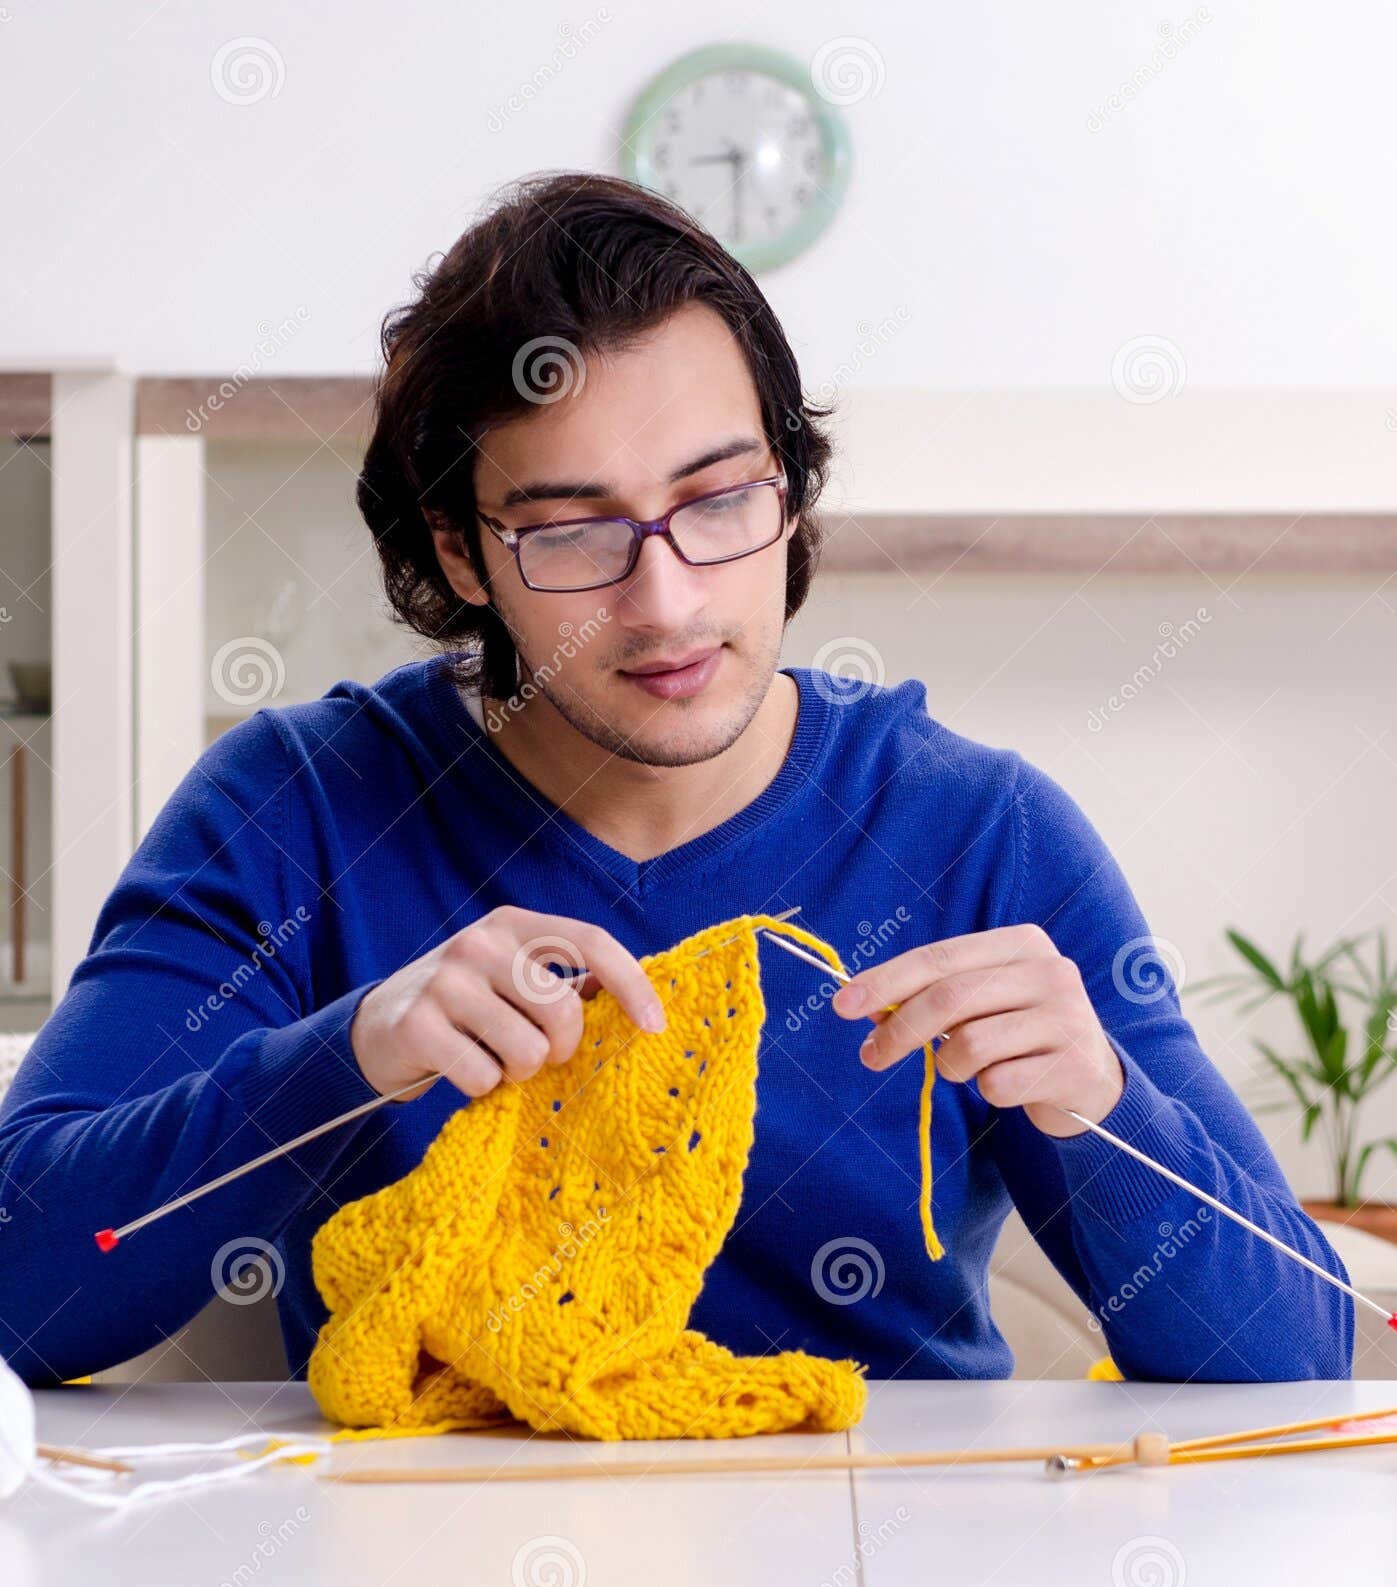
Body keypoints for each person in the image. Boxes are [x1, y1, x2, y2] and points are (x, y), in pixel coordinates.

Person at [0, 171, 1351, 1389]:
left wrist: (1101, 1106)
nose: (666, 600)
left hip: (895, 1572)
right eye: (573, 529)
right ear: (461, 554)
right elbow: (22, 1287)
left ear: (790, 491)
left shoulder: (976, 834)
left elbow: (1298, 1345)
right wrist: (342, 1058)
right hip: (427, 1565)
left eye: (716, 501)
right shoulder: (293, 807)